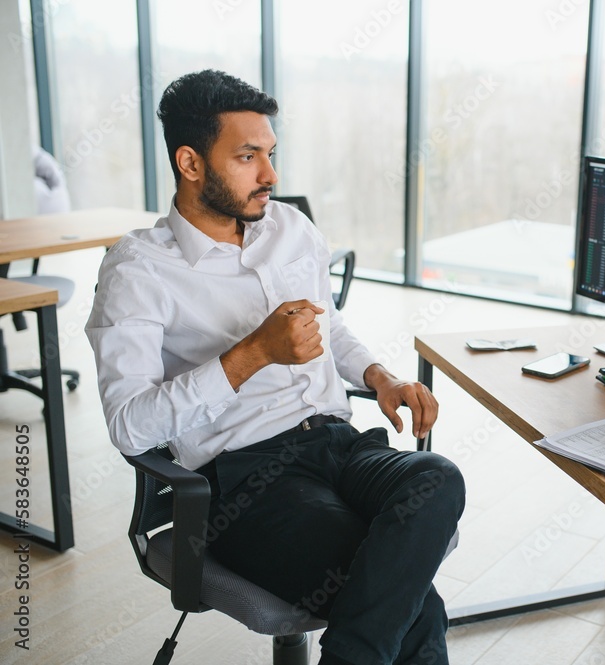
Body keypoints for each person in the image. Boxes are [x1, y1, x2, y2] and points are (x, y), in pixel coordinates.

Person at [86, 69, 464, 665]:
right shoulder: (138, 271)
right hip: (248, 479)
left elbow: (328, 326)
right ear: (190, 163)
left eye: (271, 153)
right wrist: (253, 354)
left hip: (339, 444)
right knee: (414, 607)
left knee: (438, 477)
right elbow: (131, 426)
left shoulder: (289, 227)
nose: (271, 175)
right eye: (247, 157)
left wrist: (378, 377)